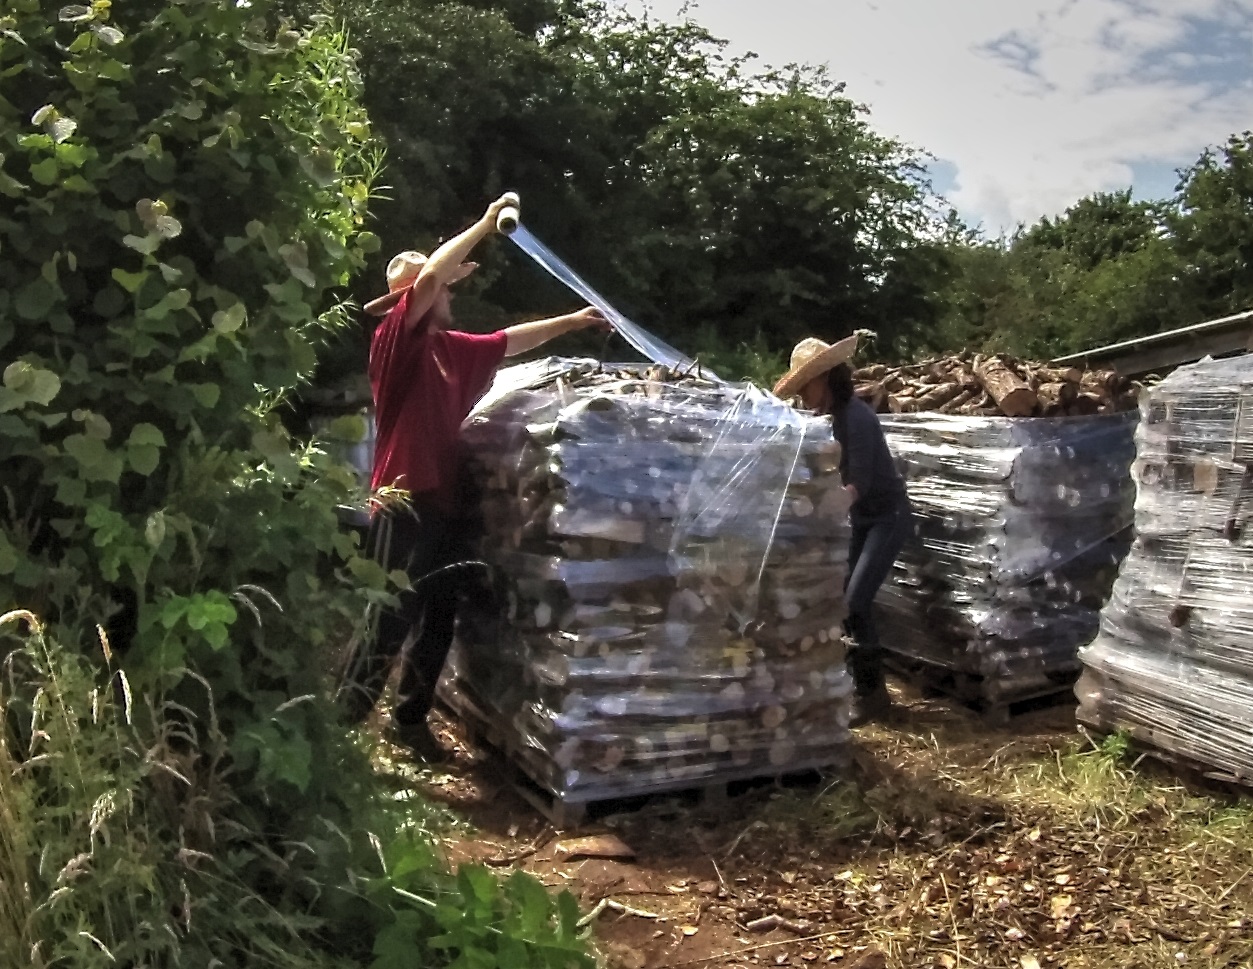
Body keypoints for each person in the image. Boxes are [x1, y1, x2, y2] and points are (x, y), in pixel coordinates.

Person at [338, 194, 607, 759]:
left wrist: (574, 322)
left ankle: (409, 723)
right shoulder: (396, 344)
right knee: (390, 618)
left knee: (438, 616)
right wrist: (485, 224)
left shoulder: (451, 350)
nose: (447, 295)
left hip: (443, 503)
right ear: (410, 301)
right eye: (438, 290)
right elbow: (432, 276)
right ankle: (338, 729)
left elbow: (513, 340)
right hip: (401, 499)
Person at [773, 335, 913, 727]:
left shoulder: (857, 418)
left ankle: (872, 696)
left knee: (855, 600)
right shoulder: (826, 420)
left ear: (828, 378)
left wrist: (821, 507)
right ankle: (862, 687)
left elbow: (859, 484)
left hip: (887, 518)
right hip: (861, 520)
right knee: (843, 599)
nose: (802, 394)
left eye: (807, 385)